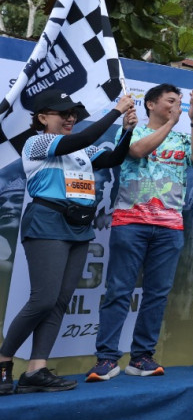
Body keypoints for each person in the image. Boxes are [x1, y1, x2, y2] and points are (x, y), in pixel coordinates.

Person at [0, 92, 136, 395]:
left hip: (79, 227)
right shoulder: (36, 143)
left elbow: (113, 158)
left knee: (60, 301)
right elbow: (83, 137)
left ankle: (36, 370)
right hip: (47, 220)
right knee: (43, 300)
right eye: (63, 113)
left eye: (73, 113)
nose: (70, 117)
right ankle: (3, 360)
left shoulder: (82, 149)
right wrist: (116, 111)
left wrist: (127, 131)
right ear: (42, 118)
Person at [89, 84, 193, 381]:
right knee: (119, 290)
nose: (175, 105)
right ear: (151, 104)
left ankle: (142, 356)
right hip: (131, 222)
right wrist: (172, 122)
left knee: (157, 294)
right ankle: (106, 358)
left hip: (170, 226)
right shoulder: (133, 130)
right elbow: (137, 151)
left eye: (179, 102)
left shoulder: (183, 136)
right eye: (170, 100)